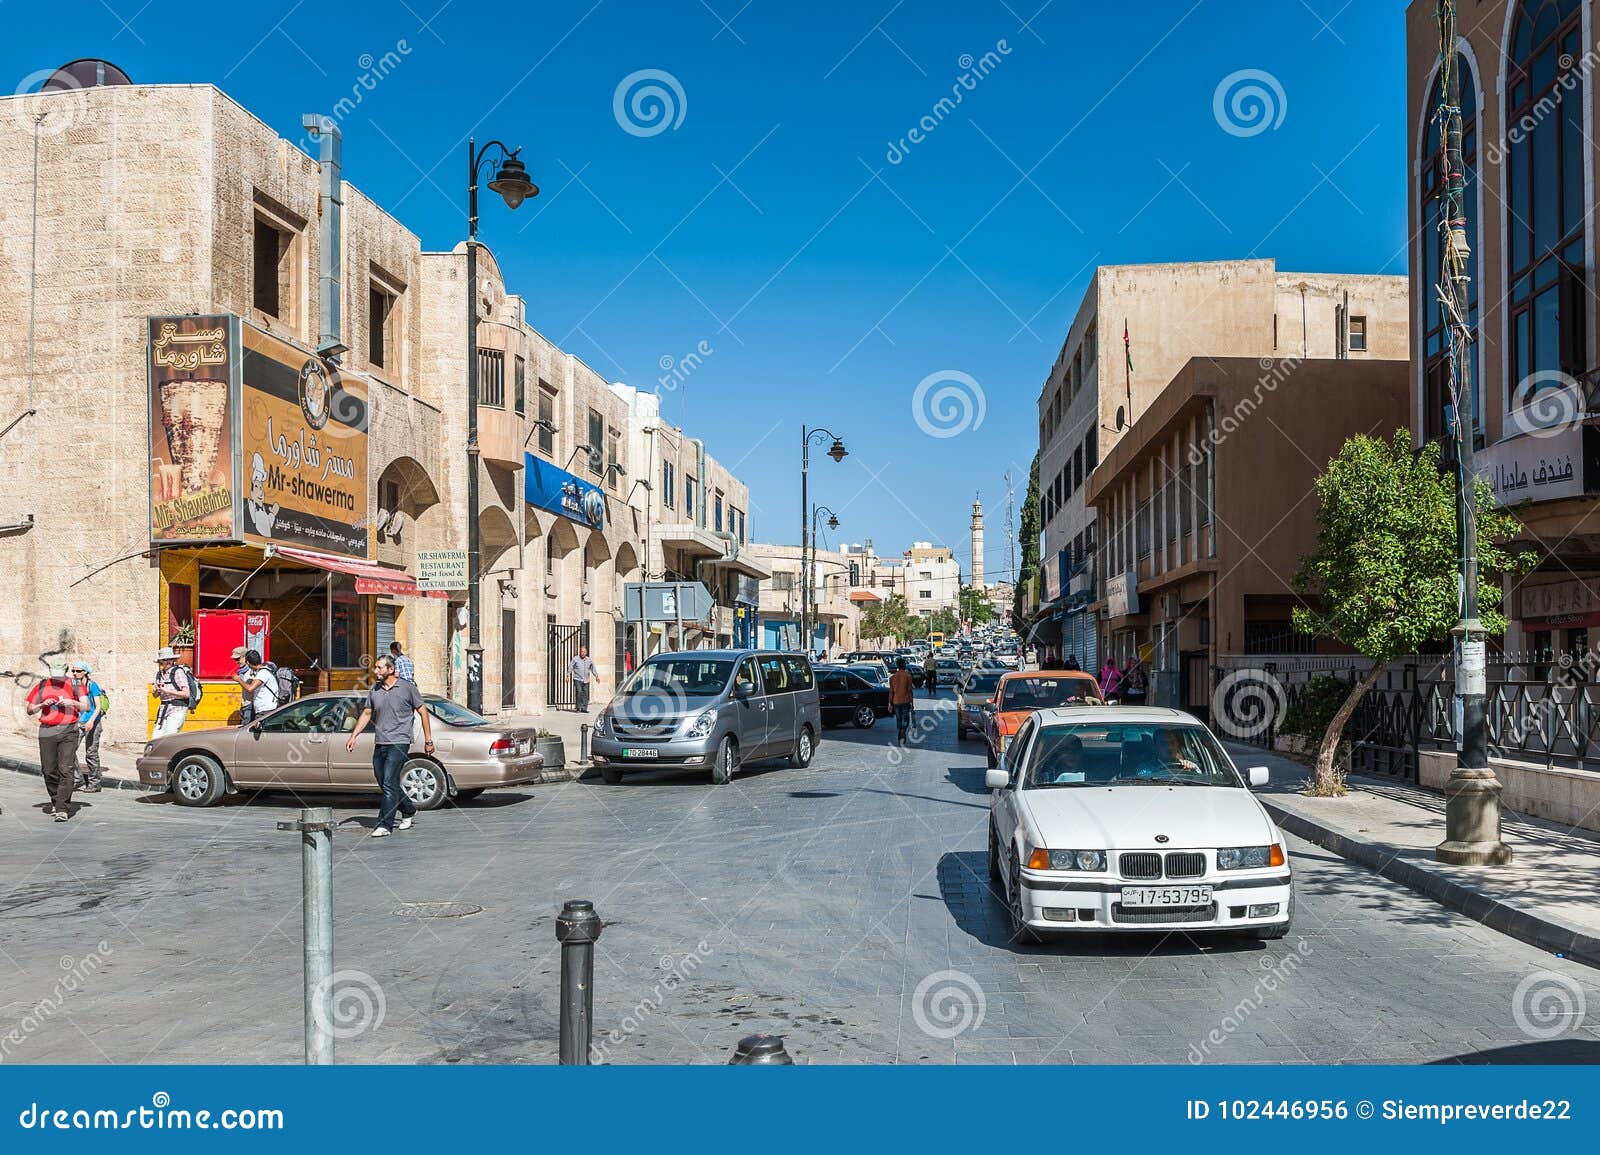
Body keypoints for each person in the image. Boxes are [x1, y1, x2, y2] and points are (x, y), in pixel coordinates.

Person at [345, 653, 435, 838]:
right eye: (376, 667)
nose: (375, 670)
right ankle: (409, 810)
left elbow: (423, 712)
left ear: (391, 669)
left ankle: (385, 825)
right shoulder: (375, 689)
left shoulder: (407, 688)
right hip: (380, 741)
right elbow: (367, 713)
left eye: (379, 667)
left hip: (399, 741)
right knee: (385, 782)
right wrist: (354, 736)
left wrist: (428, 740)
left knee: (388, 783)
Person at [26, 664, 88, 820]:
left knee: (65, 769)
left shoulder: (75, 684)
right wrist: (41, 705)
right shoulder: (42, 685)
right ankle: (55, 799)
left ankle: (62, 808)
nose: (56, 679)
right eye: (54, 675)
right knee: (48, 769)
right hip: (47, 731)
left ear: (65, 672)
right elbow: (29, 709)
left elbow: (86, 706)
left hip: (69, 730)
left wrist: (72, 703)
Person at [71, 662, 107, 793]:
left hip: (93, 723)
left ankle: (95, 783)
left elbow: (97, 706)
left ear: (85, 672)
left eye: (78, 671)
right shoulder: (74, 684)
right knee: (69, 751)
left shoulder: (92, 685)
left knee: (91, 753)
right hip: (78, 721)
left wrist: (91, 721)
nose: (75, 673)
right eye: (73, 671)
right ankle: (77, 779)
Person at [152, 646, 193, 737]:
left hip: (177, 709)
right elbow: (154, 696)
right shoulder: (159, 674)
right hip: (163, 709)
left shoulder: (178, 672)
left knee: (169, 737)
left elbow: (186, 694)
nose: (168, 661)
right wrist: (157, 690)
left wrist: (168, 691)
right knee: (156, 737)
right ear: (161, 661)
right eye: (165, 659)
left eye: (170, 659)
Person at [239, 651, 280, 720]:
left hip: (265, 711)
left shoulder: (262, 673)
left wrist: (239, 680)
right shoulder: (263, 671)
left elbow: (250, 688)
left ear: (248, 662)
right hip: (265, 710)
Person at [888, 658, 915, 745]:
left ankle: (900, 730)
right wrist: (912, 702)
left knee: (898, 718)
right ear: (904, 665)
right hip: (905, 700)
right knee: (906, 718)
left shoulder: (892, 677)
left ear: (897, 666)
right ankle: (903, 730)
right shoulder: (908, 676)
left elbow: (891, 691)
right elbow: (910, 690)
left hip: (896, 701)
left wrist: (889, 703)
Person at [230, 646, 255, 724]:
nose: (236, 662)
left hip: (250, 705)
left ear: (245, 657)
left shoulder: (251, 671)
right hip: (245, 704)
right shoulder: (242, 672)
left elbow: (251, 688)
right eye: (235, 660)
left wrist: (238, 680)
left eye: (238, 659)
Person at [569, 645, 597, 712]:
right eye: (582, 652)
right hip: (577, 679)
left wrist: (596, 676)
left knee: (585, 694)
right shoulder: (575, 659)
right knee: (579, 692)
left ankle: (584, 708)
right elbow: (570, 667)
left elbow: (593, 668)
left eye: (584, 652)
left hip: (586, 680)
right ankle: (578, 707)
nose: (583, 653)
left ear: (586, 652)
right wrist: (568, 675)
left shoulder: (589, 660)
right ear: (580, 652)